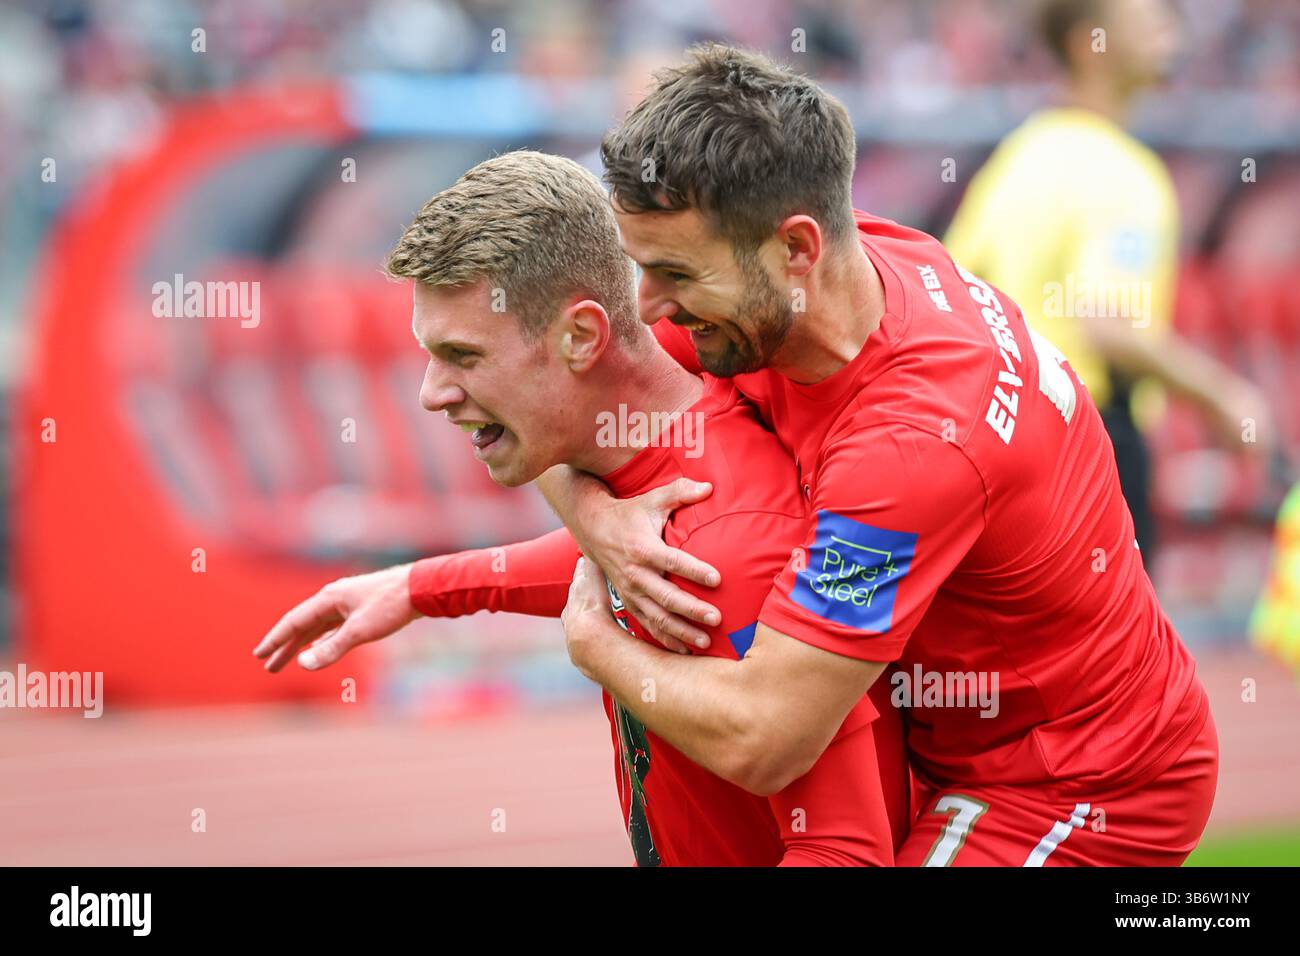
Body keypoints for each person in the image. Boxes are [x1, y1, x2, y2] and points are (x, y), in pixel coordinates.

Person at [541, 43, 1218, 865]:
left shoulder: (909, 448)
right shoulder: (851, 264)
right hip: (944, 742)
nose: (646, 307)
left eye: (674, 272)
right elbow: (549, 399)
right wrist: (597, 520)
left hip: (1075, 787)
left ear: (797, 249)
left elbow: (769, 735)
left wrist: (595, 644)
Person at [253, 149, 907, 866]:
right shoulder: (655, 495)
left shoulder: (733, 538)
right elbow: (629, 571)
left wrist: (596, 650)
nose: (431, 393)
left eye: (464, 357)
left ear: (583, 337)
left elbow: (847, 852)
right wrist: (414, 588)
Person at [944, 0, 1270, 567]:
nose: (1168, 30)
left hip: (997, 441)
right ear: (1086, 42)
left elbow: (954, 294)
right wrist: (1226, 399)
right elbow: (1110, 326)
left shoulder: (1015, 158)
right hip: (1092, 443)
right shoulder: (1125, 172)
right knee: (1126, 653)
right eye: (1146, 17)